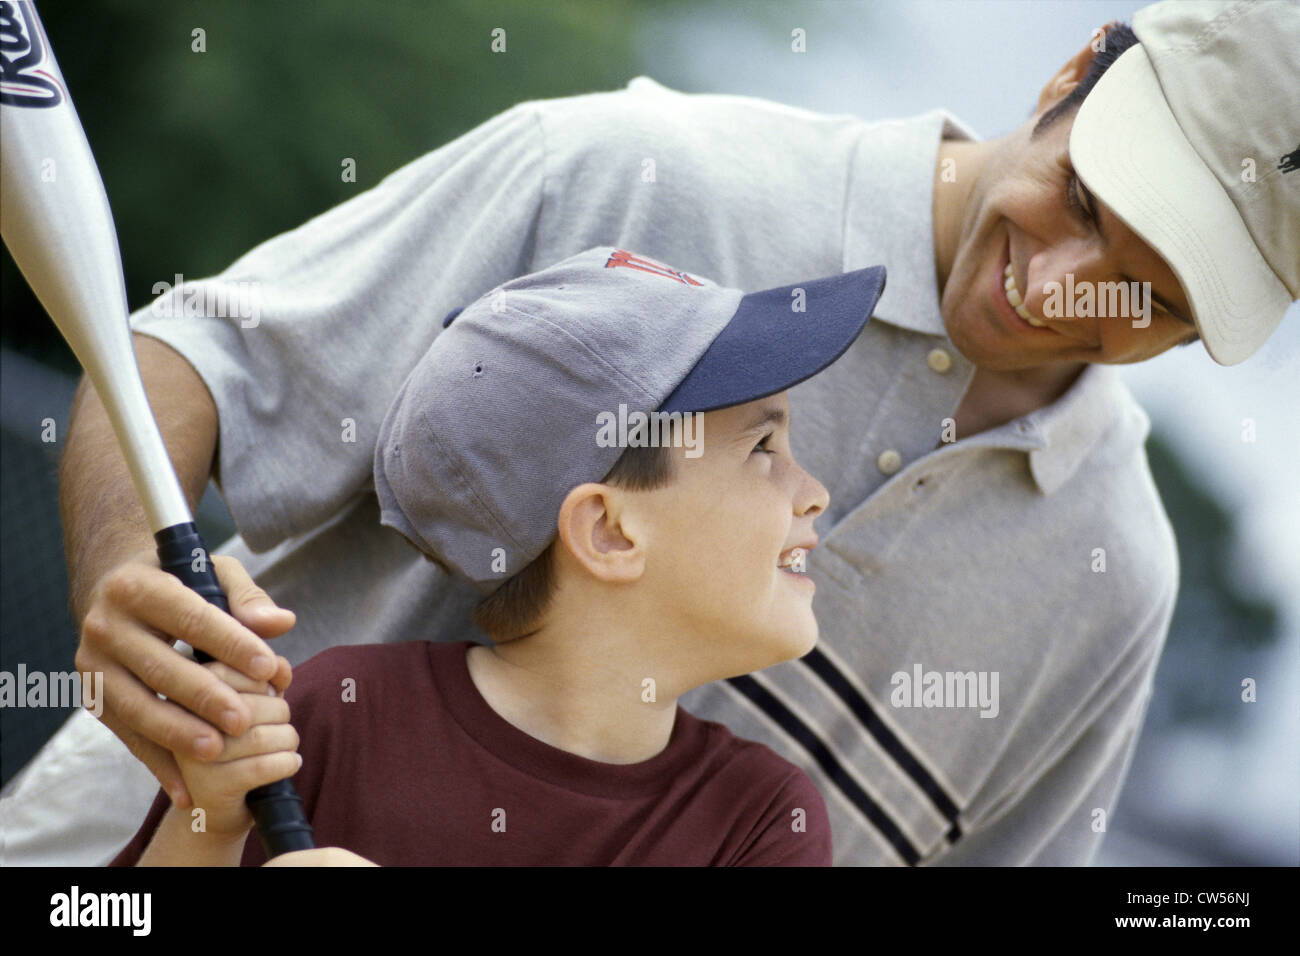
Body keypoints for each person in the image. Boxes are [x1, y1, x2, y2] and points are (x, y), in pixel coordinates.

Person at [4, 0, 1296, 866]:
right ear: (1071, 74)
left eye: (1153, 293)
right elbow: (193, 363)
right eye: (1081, 199)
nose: (1061, 286)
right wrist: (124, 570)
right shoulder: (640, 171)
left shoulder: (1113, 585)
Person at [109, 246, 882, 866]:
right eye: (763, 447)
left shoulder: (756, 824)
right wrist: (207, 827)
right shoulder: (335, 714)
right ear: (609, 532)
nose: (813, 491)